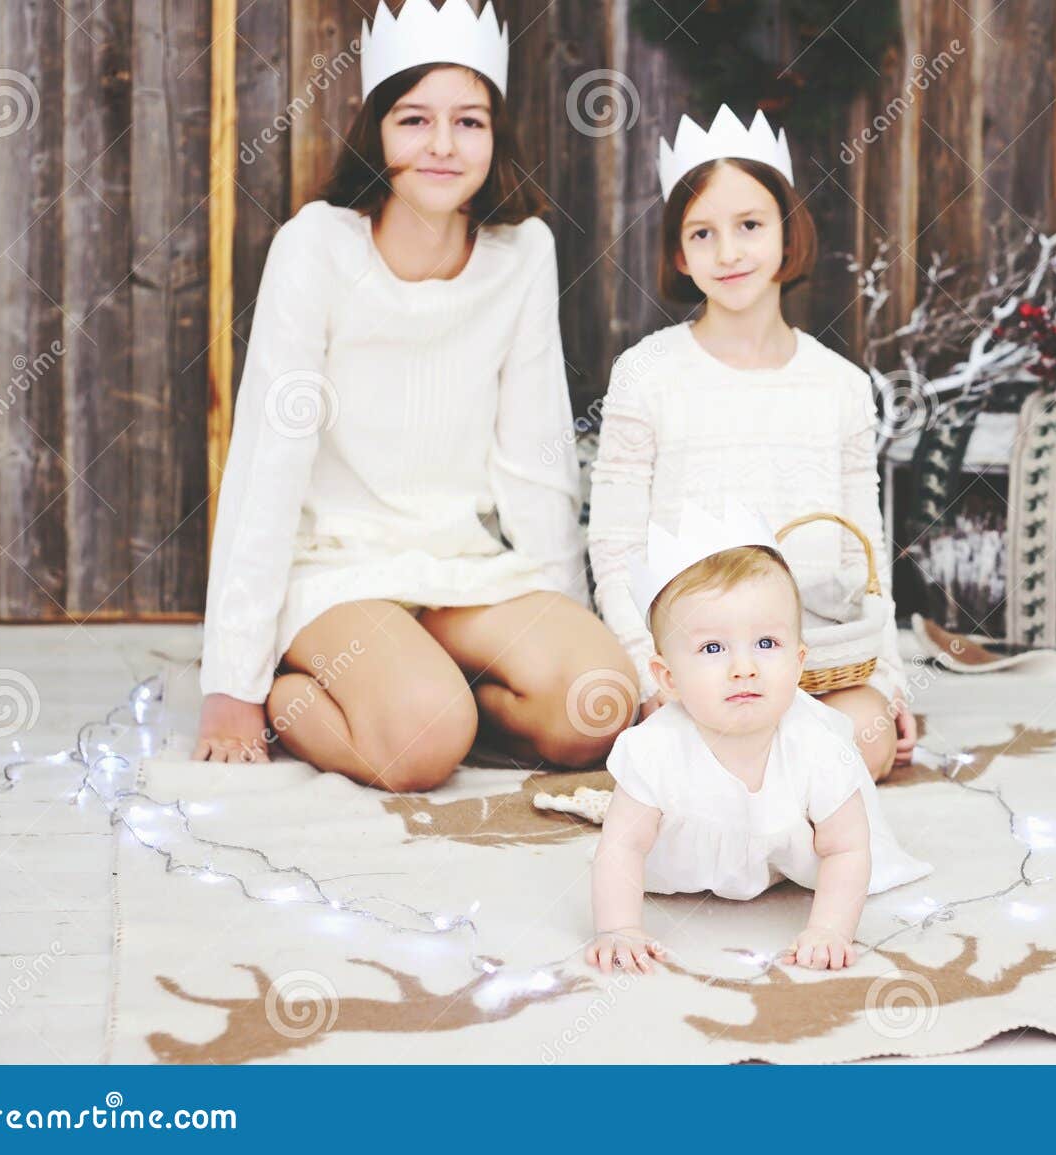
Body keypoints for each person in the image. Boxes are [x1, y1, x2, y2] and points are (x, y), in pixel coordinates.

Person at [193, 0, 634, 788]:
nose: (442, 145)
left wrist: (565, 613)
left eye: (469, 122)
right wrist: (234, 679)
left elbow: (534, 452)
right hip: (340, 568)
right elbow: (268, 463)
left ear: (496, 136)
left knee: (596, 705)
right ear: (377, 131)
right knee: (425, 743)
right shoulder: (316, 247)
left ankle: (440, 690)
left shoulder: (522, 252)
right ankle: (311, 694)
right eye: (414, 120)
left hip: (463, 567)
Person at [587, 106, 915, 783]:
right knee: (694, 744)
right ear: (679, 254)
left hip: (813, 663)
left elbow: (863, 553)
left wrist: (888, 677)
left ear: (788, 232)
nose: (729, 253)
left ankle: (767, 773)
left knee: (867, 740)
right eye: (702, 233)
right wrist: (647, 671)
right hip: (692, 668)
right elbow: (616, 549)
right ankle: (752, 773)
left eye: (750, 226)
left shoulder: (841, 385)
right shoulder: (646, 374)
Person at [585, 502, 931, 974]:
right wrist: (619, 927)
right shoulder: (655, 750)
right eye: (712, 647)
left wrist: (830, 929)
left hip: (788, 858)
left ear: (799, 661)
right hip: (683, 866)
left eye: (767, 644)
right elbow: (622, 848)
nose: (743, 667)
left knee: (847, 828)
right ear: (667, 678)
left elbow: (847, 847)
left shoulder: (817, 745)